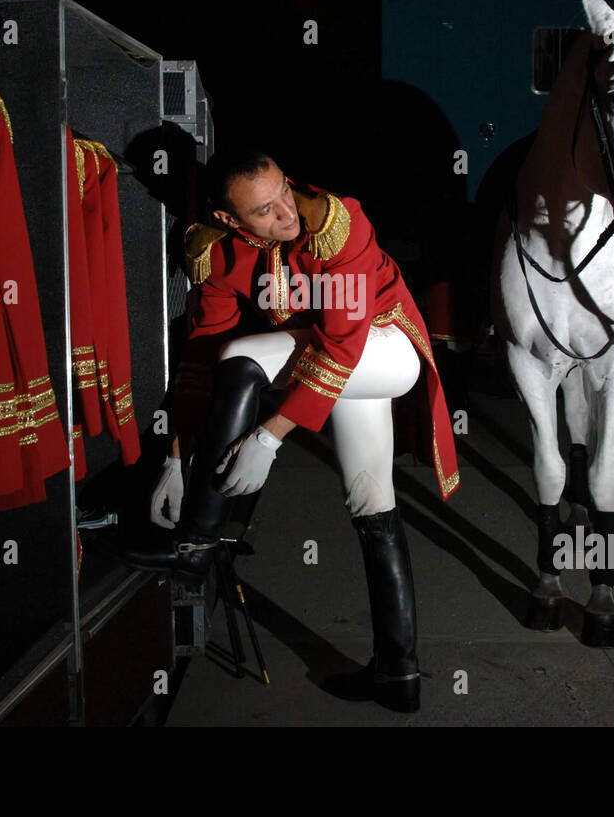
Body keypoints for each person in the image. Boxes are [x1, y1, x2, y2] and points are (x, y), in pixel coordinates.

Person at [120, 146, 460, 712]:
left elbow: (342, 345)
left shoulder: (335, 223)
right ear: (229, 219)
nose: (285, 213)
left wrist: (269, 438)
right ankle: (398, 675)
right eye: (263, 210)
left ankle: (196, 542)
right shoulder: (219, 252)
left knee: (245, 357)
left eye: (283, 190)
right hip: (336, 364)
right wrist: (178, 457)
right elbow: (199, 363)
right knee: (371, 503)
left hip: (383, 345)